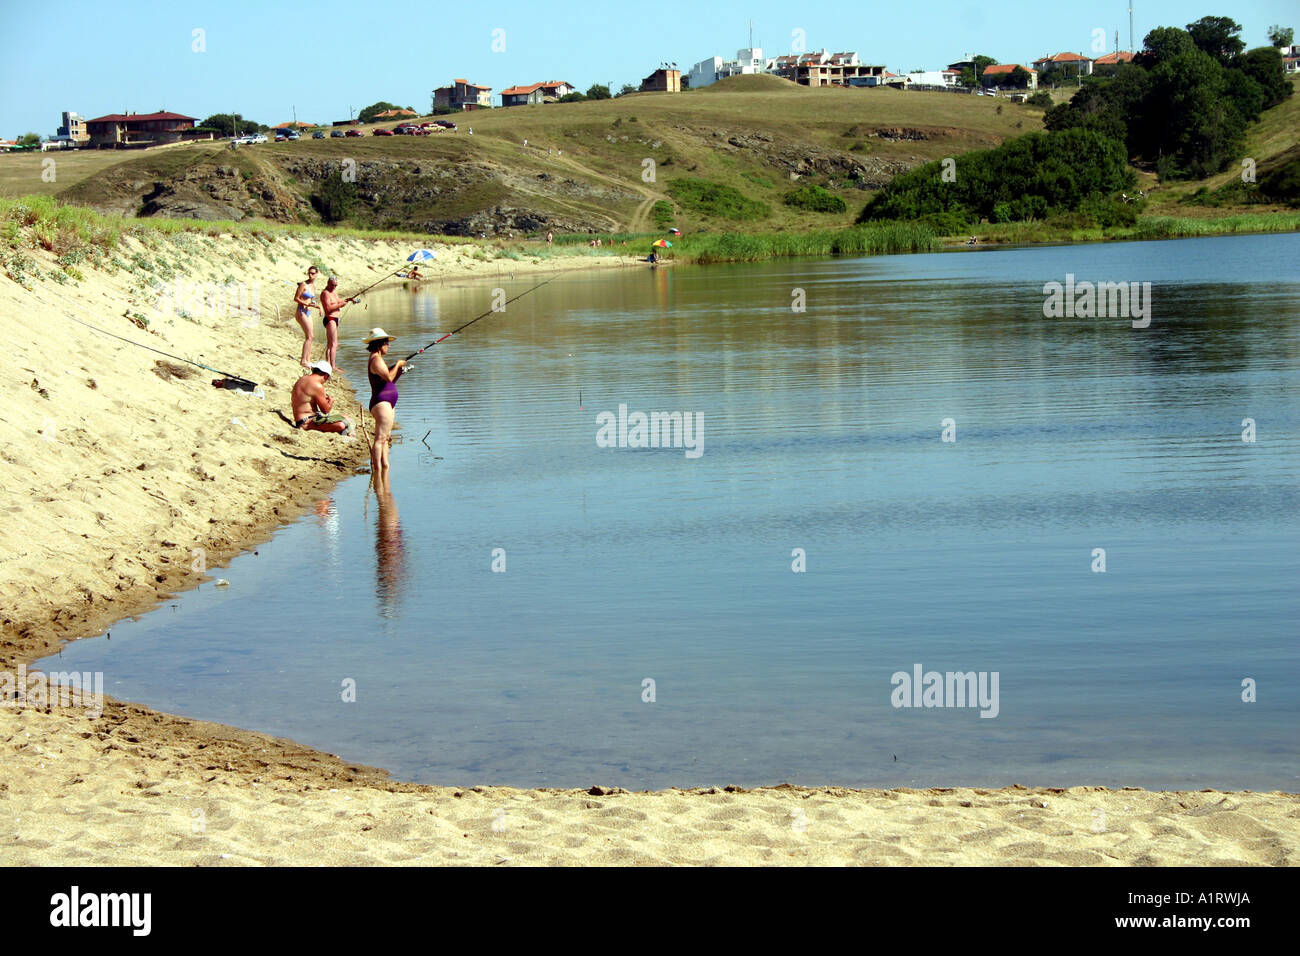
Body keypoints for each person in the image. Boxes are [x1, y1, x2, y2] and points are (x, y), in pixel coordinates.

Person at [364, 328, 409, 473]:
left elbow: (389, 381)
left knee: (386, 437)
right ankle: (377, 469)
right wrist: (397, 365)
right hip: (380, 402)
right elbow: (389, 377)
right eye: (386, 343)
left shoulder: (379, 359)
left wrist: (399, 372)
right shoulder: (376, 360)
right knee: (380, 437)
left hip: (387, 401)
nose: (388, 346)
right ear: (379, 344)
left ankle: (385, 467)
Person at [290, 361, 353, 436]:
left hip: (302, 420)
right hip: (306, 423)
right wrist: (330, 401)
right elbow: (325, 410)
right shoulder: (317, 385)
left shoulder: (303, 379)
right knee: (341, 425)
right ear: (326, 376)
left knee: (346, 418)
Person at [319, 276, 356, 369]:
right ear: (328, 283)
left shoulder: (334, 293)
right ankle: (333, 366)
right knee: (334, 344)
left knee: (330, 343)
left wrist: (347, 300)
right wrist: (341, 305)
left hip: (334, 319)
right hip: (330, 319)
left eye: (335, 285)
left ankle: (328, 364)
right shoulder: (325, 293)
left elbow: (339, 302)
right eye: (332, 285)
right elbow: (328, 309)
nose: (334, 287)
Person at [293, 266, 320, 367]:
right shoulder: (303, 284)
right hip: (301, 311)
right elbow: (296, 298)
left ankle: (307, 359)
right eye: (309, 273)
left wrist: (316, 306)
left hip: (308, 311)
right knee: (309, 336)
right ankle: (303, 361)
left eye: (313, 273)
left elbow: (311, 299)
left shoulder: (314, 286)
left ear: (317, 274)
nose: (310, 275)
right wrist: (306, 303)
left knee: (311, 336)